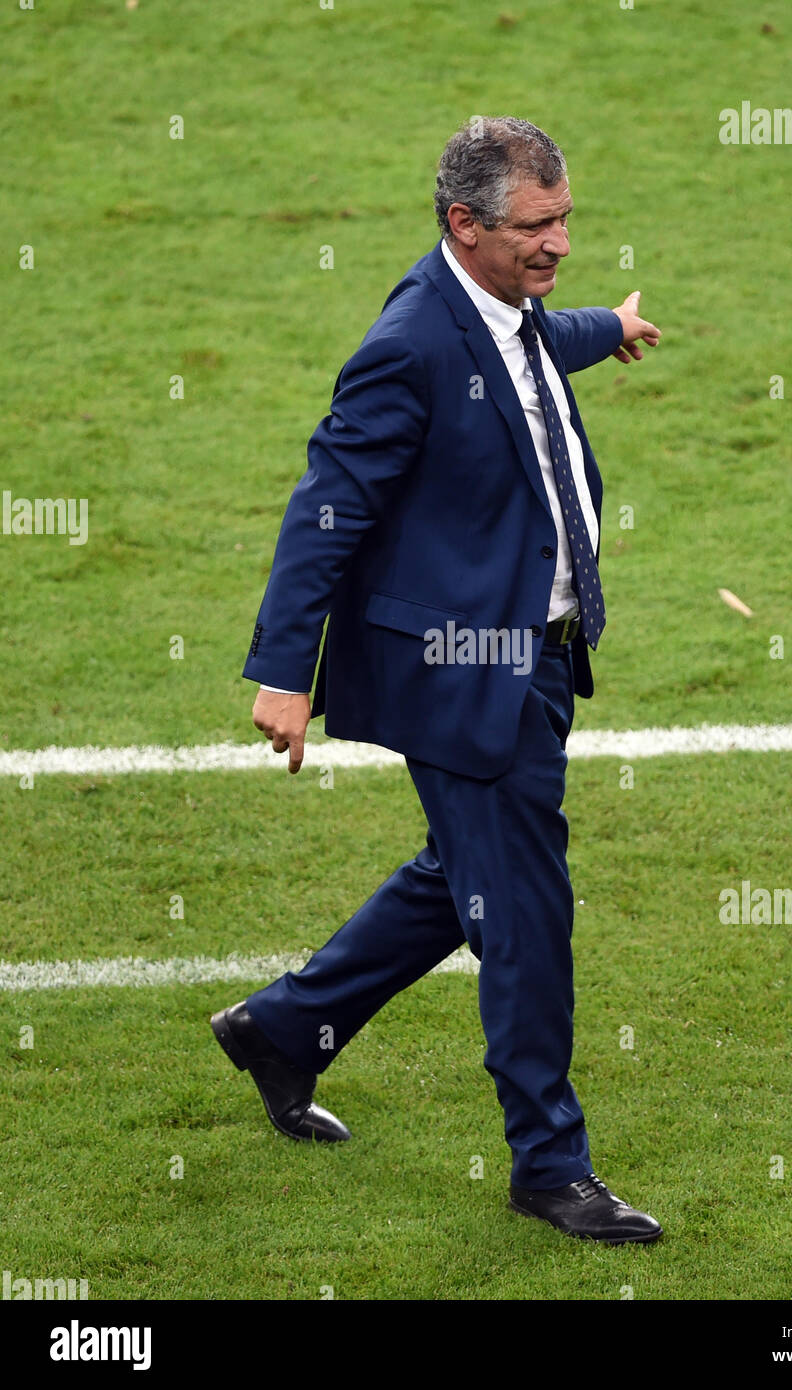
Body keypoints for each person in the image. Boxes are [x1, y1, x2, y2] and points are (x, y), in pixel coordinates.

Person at [211, 116, 663, 1245]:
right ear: (464, 225)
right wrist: (283, 673)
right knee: (521, 912)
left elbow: (526, 348)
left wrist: (606, 328)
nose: (560, 242)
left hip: (540, 655)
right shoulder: (411, 341)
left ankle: (284, 1029)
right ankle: (549, 1164)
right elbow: (329, 504)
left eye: (566, 218)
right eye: (538, 226)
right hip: (471, 667)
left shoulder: (500, 306)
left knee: (461, 874)